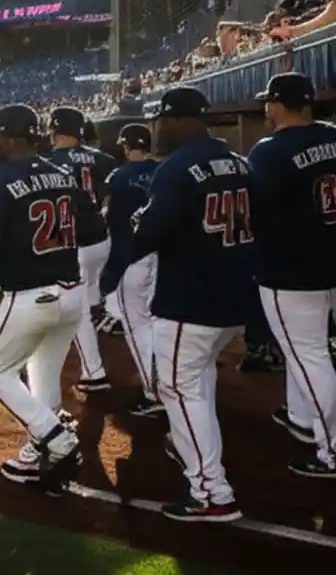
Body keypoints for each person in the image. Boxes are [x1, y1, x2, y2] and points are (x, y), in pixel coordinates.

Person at [130, 86, 254, 523]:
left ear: (181, 120)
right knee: (197, 384)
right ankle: (200, 456)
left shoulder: (176, 168)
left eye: (163, 119)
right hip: (232, 297)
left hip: (190, 300)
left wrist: (141, 222)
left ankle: (211, 491)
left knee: (177, 388)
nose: (158, 127)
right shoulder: (239, 162)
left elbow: (150, 235)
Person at [247, 73, 336, 479]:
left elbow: (259, 216)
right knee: (309, 348)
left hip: (292, 269)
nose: (266, 108)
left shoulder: (270, 150)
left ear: (279, 104)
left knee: (308, 354)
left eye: (269, 102)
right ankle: (300, 416)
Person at [0, 103, 88, 496]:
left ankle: (56, 438)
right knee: (44, 373)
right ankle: (37, 450)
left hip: (30, 294)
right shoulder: (63, 173)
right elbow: (94, 229)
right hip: (72, 291)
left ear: (8, 136)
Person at [45, 107, 117, 393]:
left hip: (73, 244)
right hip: (102, 237)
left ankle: (93, 370)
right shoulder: (106, 159)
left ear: (55, 130)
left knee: (78, 310)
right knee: (90, 299)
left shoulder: (50, 162)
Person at [99, 124, 163, 418]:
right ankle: (166, 381)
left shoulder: (118, 177)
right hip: (163, 257)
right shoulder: (165, 170)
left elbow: (115, 228)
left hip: (133, 257)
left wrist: (110, 274)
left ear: (125, 147)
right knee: (158, 321)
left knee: (137, 324)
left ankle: (154, 391)